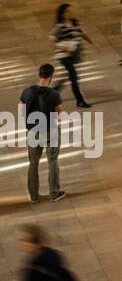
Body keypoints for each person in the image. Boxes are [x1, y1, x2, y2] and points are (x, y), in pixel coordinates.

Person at [20, 64, 65, 203]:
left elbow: (22, 111)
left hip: (33, 131)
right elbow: (58, 113)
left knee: (33, 163)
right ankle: (54, 193)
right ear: (51, 76)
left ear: (39, 74)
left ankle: (33, 196)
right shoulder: (53, 94)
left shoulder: (26, 92)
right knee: (52, 160)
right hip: (50, 131)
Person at [51, 4, 92, 109]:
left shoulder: (75, 22)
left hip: (74, 54)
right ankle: (80, 100)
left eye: (70, 11)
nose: (70, 13)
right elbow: (52, 40)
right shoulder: (59, 27)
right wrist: (64, 48)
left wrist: (90, 41)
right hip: (64, 55)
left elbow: (81, 33)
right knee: (73, 77)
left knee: (69, 75)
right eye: (67, 11)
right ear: (62, 14)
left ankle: (53, 91)